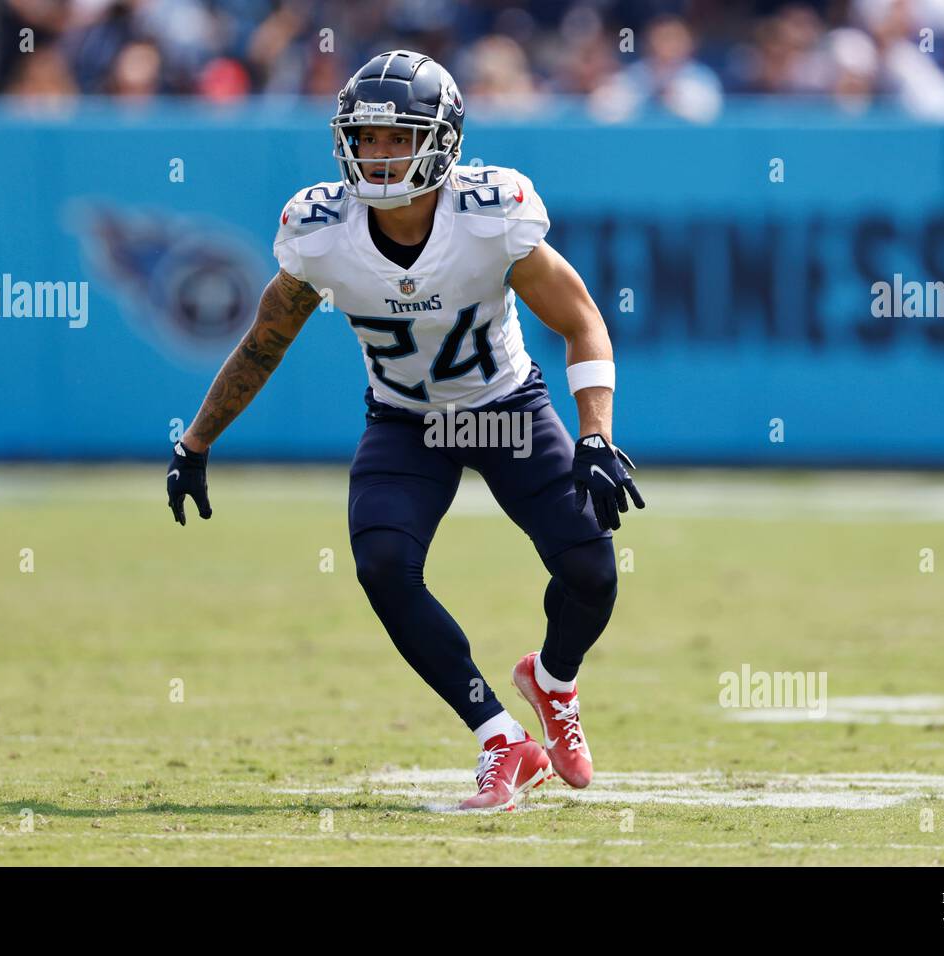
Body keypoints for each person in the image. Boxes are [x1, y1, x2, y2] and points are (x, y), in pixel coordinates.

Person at [166, 49, 643, 810]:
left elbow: (582, 320)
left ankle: (552, 682)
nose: (380, 155)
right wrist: (196, 441)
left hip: (505, 410)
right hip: (407, 419)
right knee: (384, 564)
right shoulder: (321, 229)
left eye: (398, 137)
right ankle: (500, 738)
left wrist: (595, 435)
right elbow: (263, 341)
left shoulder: (491, 213)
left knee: (593, 575)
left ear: (445, 139)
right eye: (367, 138)